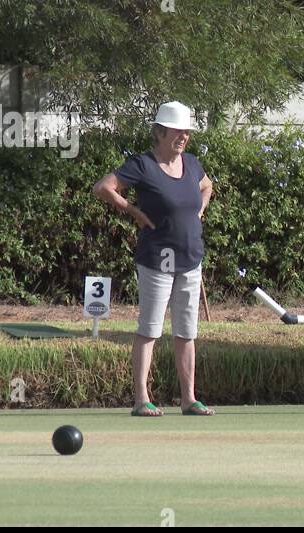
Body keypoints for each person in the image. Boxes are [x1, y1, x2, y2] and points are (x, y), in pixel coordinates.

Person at [92, 101, 215, 417]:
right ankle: (141, 399)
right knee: (150, 329)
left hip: (190, 259)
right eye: (177, 132)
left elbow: (207, 186)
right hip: (157, 260)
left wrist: (200, 208)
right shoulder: (143, 165)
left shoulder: (192, 163)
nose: (183, 137)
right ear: (160, 132)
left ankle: (189, 399)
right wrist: (131, 210)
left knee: (186, 332)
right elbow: (103, 187)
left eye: (186, 132)